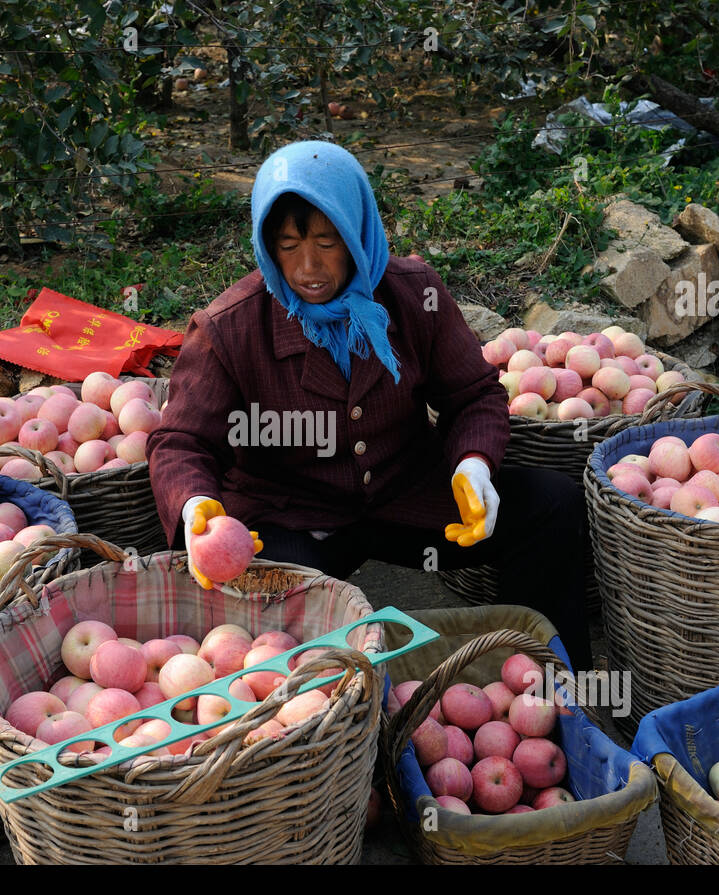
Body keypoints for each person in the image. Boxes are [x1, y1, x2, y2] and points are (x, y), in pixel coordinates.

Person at [146, 141, 590, 670]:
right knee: (296, 627)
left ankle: (551, 679)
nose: (307, 268)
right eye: (287, 246)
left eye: (328, 242)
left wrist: (473, 464)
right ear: (266, 246)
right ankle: (341, 733)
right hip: (292, 515)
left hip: (404, 496)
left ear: (358, 233)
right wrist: (196, 506)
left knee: (552, 503)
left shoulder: (413, 294)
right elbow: (181, 442)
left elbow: (472, 393)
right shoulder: (230, 328)